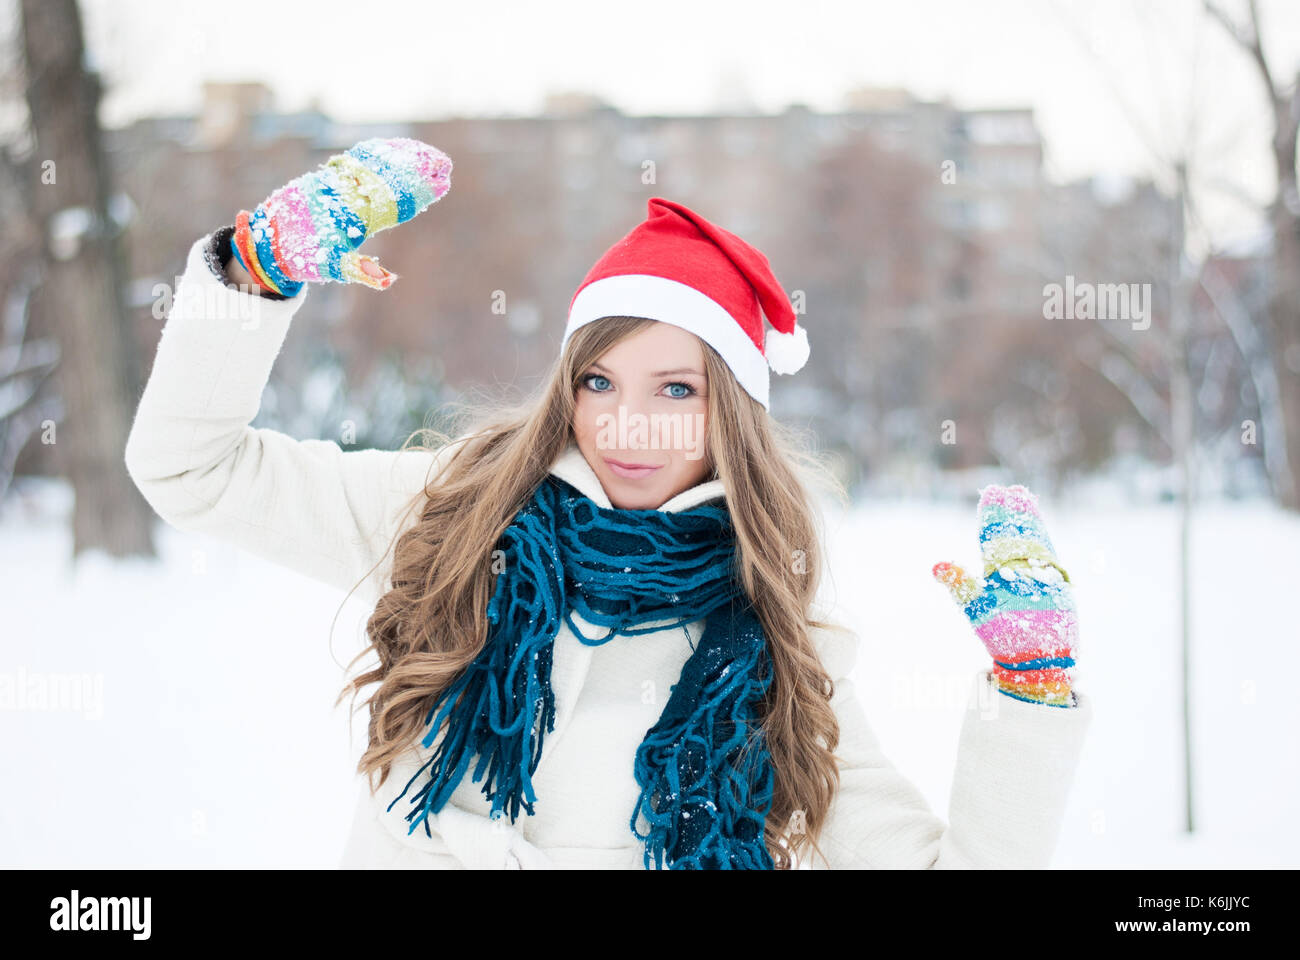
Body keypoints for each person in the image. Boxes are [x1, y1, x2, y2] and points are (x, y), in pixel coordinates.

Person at [124, 138, 1093, 870]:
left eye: (677, 390)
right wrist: (255, 271)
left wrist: (1032, 694)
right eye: (599, 383)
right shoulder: (449, 517)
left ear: (734, 414)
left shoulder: (782, 645)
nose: (627, 426)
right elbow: (190, 467)